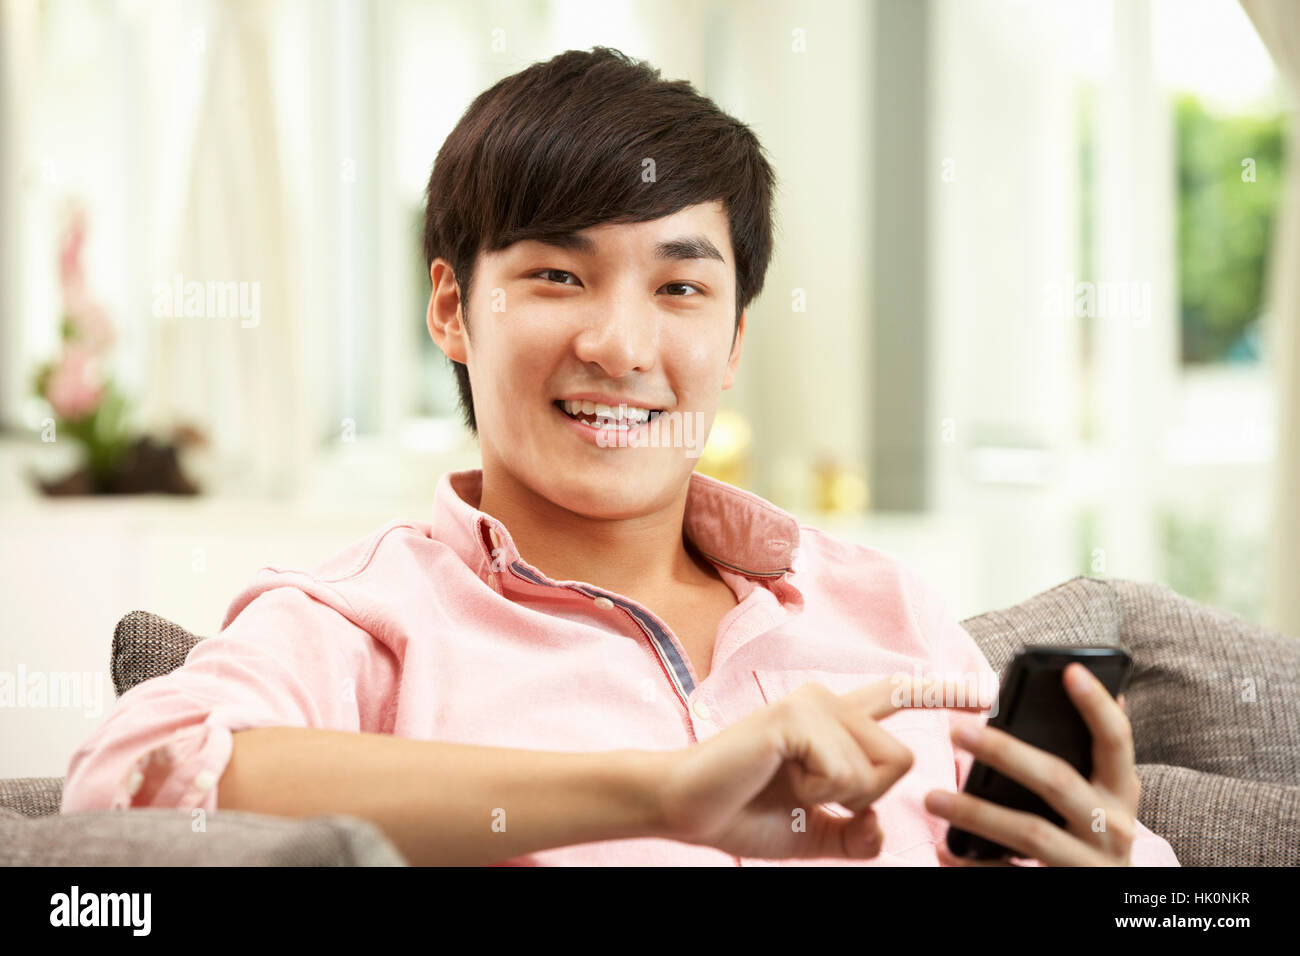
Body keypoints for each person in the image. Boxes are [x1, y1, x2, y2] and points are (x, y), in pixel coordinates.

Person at [61, 47, 1179, 867]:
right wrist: (657, 794)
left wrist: (1121, 874)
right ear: (451, 309)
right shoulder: (363, 619)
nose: (620, 345)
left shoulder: (883, 608)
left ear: (733, 338)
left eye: (681, 286)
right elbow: (130, 785)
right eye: (557, 274)